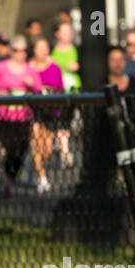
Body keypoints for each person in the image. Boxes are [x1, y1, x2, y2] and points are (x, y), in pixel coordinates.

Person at [0, 36, 44, 197]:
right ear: (11, 51)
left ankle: (10, 176)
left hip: (23, 116)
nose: (20, 54)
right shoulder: (0, 68)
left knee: (21, 149)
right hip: (3, 116)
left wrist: (31, 84)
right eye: (16, 50)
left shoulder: (30, 69)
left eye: (24, 50)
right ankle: (8, 182)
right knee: (11, 146)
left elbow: (39, 89)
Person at [27, 37, 65, 193]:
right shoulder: (28, 67)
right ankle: (42, 178)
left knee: (47, 150)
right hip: (32, 111)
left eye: (45, 48)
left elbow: (61, 89)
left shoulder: (55, 68)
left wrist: (51, 91)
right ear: (34, 50)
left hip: (50, 111)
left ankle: (32, 164)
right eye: (39, 48)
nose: (43, 52)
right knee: (36, 144)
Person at [49, 19, 80, 164]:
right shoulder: (51, 51)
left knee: (71, 123)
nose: (69, 34)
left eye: (70, 31)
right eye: (65, 31)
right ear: (57, 34)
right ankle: (65, 152)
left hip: (76, 91)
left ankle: (63, 147)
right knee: (62, 123)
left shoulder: (77, 49)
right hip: (58, 92)